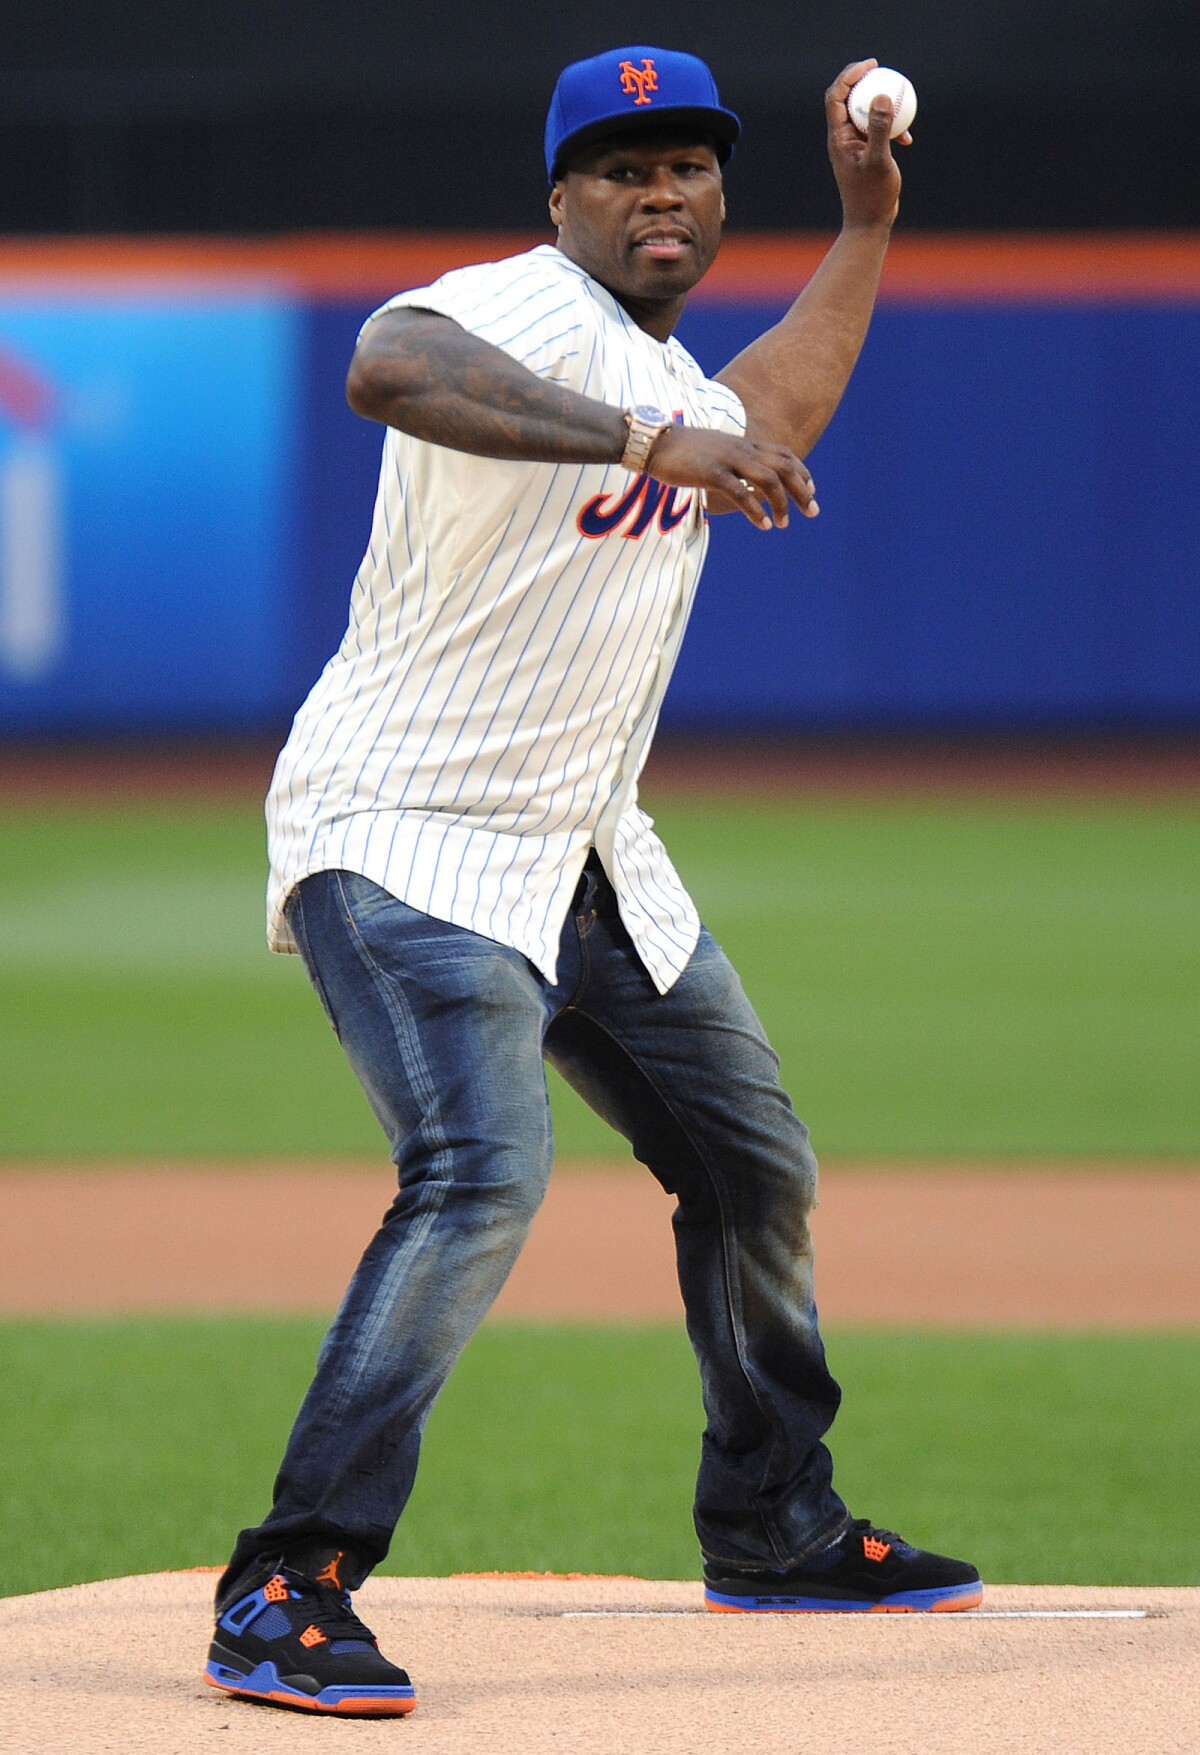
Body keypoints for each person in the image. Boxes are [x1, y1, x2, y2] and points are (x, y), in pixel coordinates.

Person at [204, 44, 981, 1718]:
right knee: (481, 1169)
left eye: (689, 165)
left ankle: (772, 1519)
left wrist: (863, 224)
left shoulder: (675, 375)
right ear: (561, 198)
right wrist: (649, 432)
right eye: (622, 168)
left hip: (580, 851)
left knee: (755, 1166)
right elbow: (385, 362)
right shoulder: (520, 313)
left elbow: (764, 414)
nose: (660, 192)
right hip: (403, 834)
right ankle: (289, 1580)